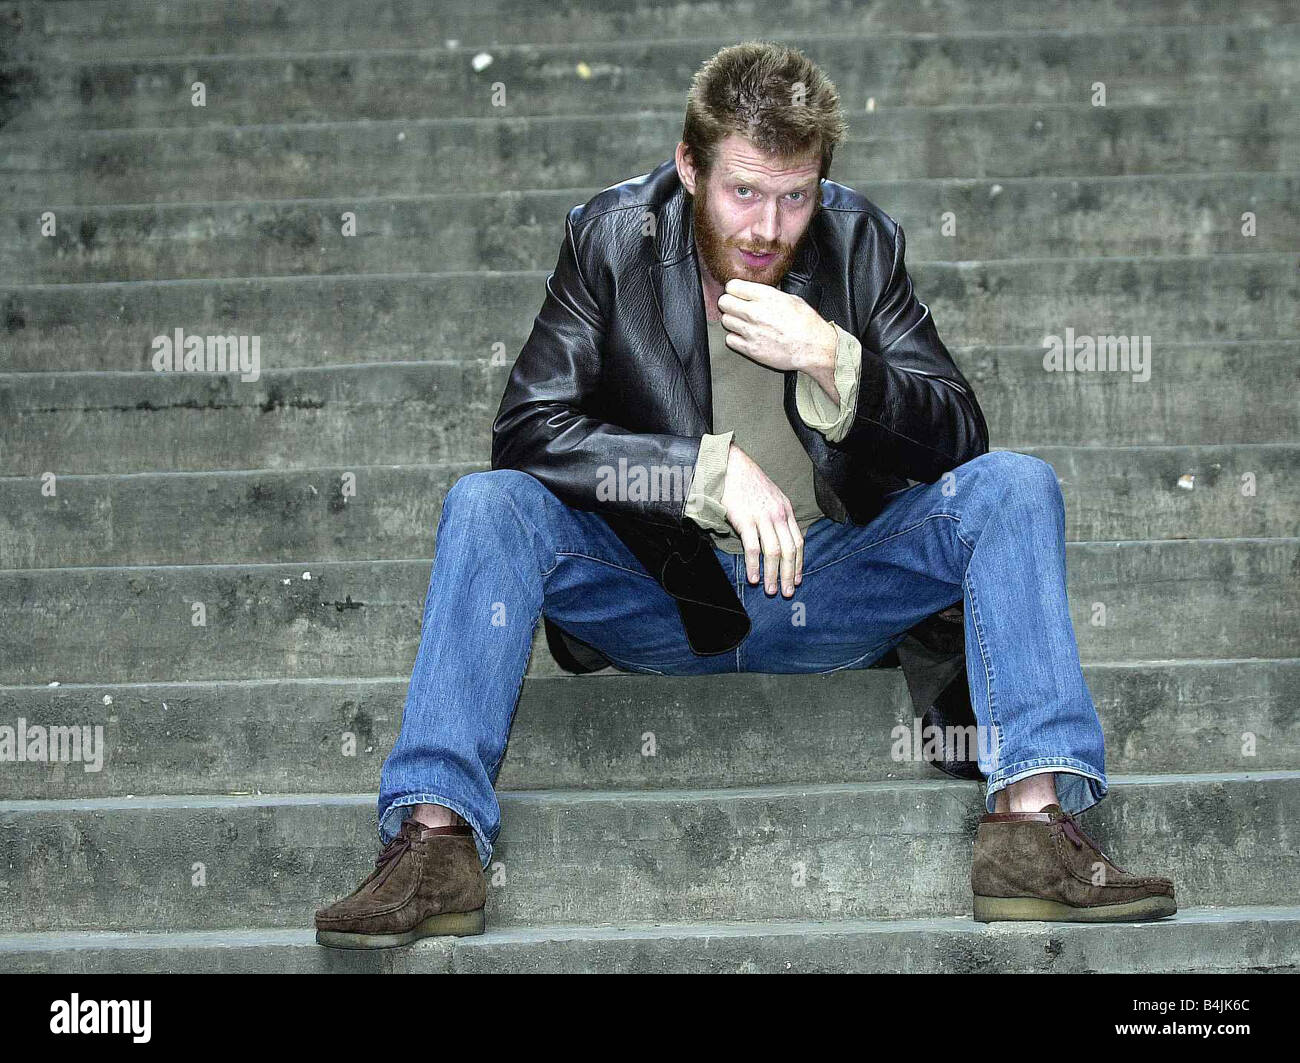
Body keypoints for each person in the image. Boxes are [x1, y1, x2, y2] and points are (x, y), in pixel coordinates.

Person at [315, 41, 1175, 949]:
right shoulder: (611, 239)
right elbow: (527, 430)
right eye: (744, 191)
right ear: (690, 166)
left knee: (1016, 489)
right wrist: (699, 470)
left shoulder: (860, 242)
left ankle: (1031, 830)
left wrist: (835, 359)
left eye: (796, 195)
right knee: (487, 504)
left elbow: (960, 434)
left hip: (832, 585)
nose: (769, 226)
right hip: (659, 592)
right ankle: (436, 841)